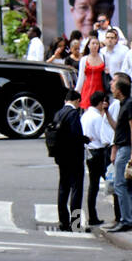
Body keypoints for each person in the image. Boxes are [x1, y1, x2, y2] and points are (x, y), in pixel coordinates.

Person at [107, 73, 132, 231]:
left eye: (114, 85)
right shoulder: (124, 105)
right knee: (129, 185)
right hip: (124, 146)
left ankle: (126, 219)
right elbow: (119, 129)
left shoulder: (129, 105)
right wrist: (107, 113)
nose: (111, 87)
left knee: (120, 184)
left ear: (120, 90)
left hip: (126, 148)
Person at [51, 90, 85, 232]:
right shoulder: (73, 115)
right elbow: (76, 136)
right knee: (76, 189)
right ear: (77, 101)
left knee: (63, 188)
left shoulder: (58, 113)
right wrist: (86, 139)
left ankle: (63, 221)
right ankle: (75, 223)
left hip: (61, 156)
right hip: (74, 157)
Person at [81, 89, 116, 229]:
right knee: (111, 181)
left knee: (93, 185)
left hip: (89, 152)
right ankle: (118, 214)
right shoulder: (97, 118)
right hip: (99, 152)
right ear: (101, 103)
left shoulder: (85, 116)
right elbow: (103, 137)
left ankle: (92, 215)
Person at [78, 36, 107, 109]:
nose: (95, 45)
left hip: (100, 88)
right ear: (88, 45)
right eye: (93, 43)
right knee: (87, 109)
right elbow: (81, 77)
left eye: (97, 43)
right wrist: (77, 91)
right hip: (88, 88)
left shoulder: (103, 57)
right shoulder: (84, 59)